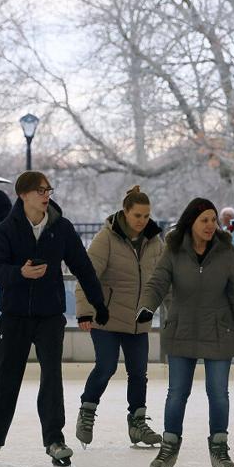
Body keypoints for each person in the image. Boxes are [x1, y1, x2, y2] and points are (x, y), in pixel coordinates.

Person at [0, 171, 107, 467]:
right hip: (14, 317)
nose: (46, 195)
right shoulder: (7, 229)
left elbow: (82, 267)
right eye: (40, 191)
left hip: (49, 316)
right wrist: (20, 273)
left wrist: (98, 303)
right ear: (23, 195)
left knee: (52, 379)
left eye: (48, 190)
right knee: (5, 378)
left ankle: (55, 440)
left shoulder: (61, 228)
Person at [137, 197, 234, 467]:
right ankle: (169, 445)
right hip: (182, 329)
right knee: (176, 393)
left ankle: (219, 446)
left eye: (213, 220)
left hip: (218, 330)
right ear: (191, 222)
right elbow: (157, 283)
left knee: (218, 394)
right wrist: (147, 307)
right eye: (204, 220)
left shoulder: (226, 251)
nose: (210, 225)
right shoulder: (173, 249)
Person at [74, 185, 165, 449]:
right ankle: (87, 411)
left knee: (138, 373)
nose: (142, 221)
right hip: (107, 317)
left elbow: (162, 279)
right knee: (106, 366)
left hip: (138, 319)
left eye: (146, 216)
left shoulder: (154, 242)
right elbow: (88, 275)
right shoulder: (106, 238)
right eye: (137, 215)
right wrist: (85, 311)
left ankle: (137, 423)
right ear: (125, 212)